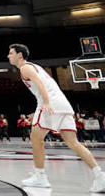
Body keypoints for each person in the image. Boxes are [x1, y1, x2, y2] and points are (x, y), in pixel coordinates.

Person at [7, 44, 105, 191]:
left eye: (11, 53)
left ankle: (40, 176)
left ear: (19, 55)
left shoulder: (25, 68)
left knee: (35, 139)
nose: (9, 56)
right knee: (74, 143)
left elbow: (41, 85)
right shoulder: (36, 67)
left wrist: (45, 103)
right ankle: (100, 176)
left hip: (50, 104)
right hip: (63, 104)